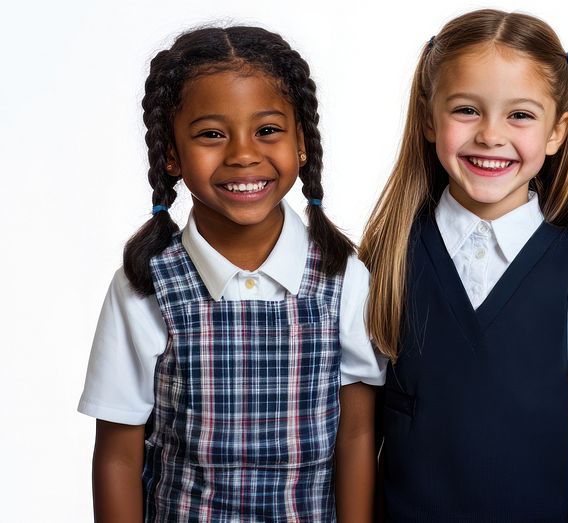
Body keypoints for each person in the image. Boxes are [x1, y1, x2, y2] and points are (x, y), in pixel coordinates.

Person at [78, 26, 385, 522]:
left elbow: (357, 435)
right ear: (172, 154)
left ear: (301, 142)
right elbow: (117, 454)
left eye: (267, 130)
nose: (243, 154)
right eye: (211, 135)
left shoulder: (342, 278)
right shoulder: (146, 287)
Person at [360, 9, 568, 521]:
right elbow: (359, 424)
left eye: (520, 115)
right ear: (427, 117)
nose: (489, 135)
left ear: (557, 132)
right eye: (466, 109)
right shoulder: (388, 257)